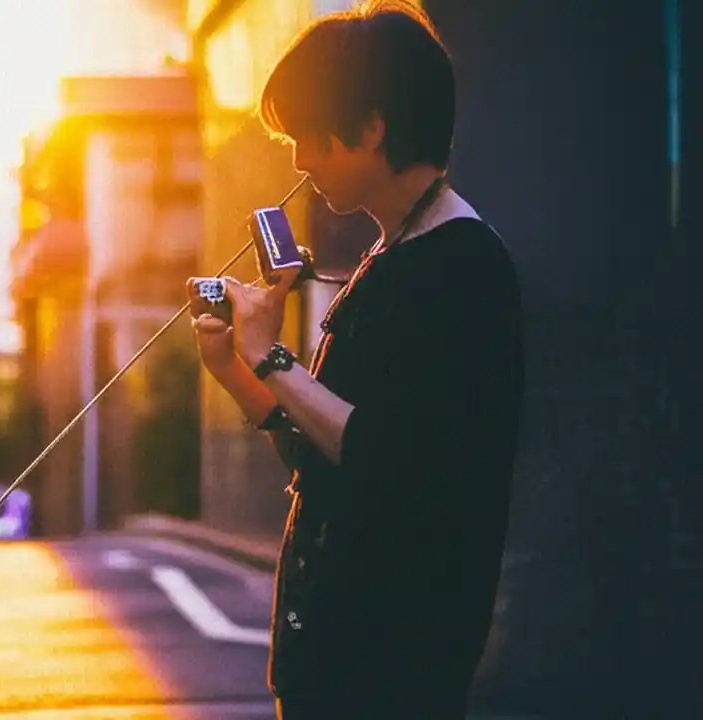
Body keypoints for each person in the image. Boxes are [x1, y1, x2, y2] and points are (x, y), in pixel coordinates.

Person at [190, 2, 523, 717]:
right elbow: (320, 454)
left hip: (393, 662)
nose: (300, 162)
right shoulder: (389, 253)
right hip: (330, 653)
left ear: (372, 126)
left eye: (308, 137)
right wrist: (235, 370)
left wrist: (272, 358)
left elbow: (387, 456)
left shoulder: (463, 267)